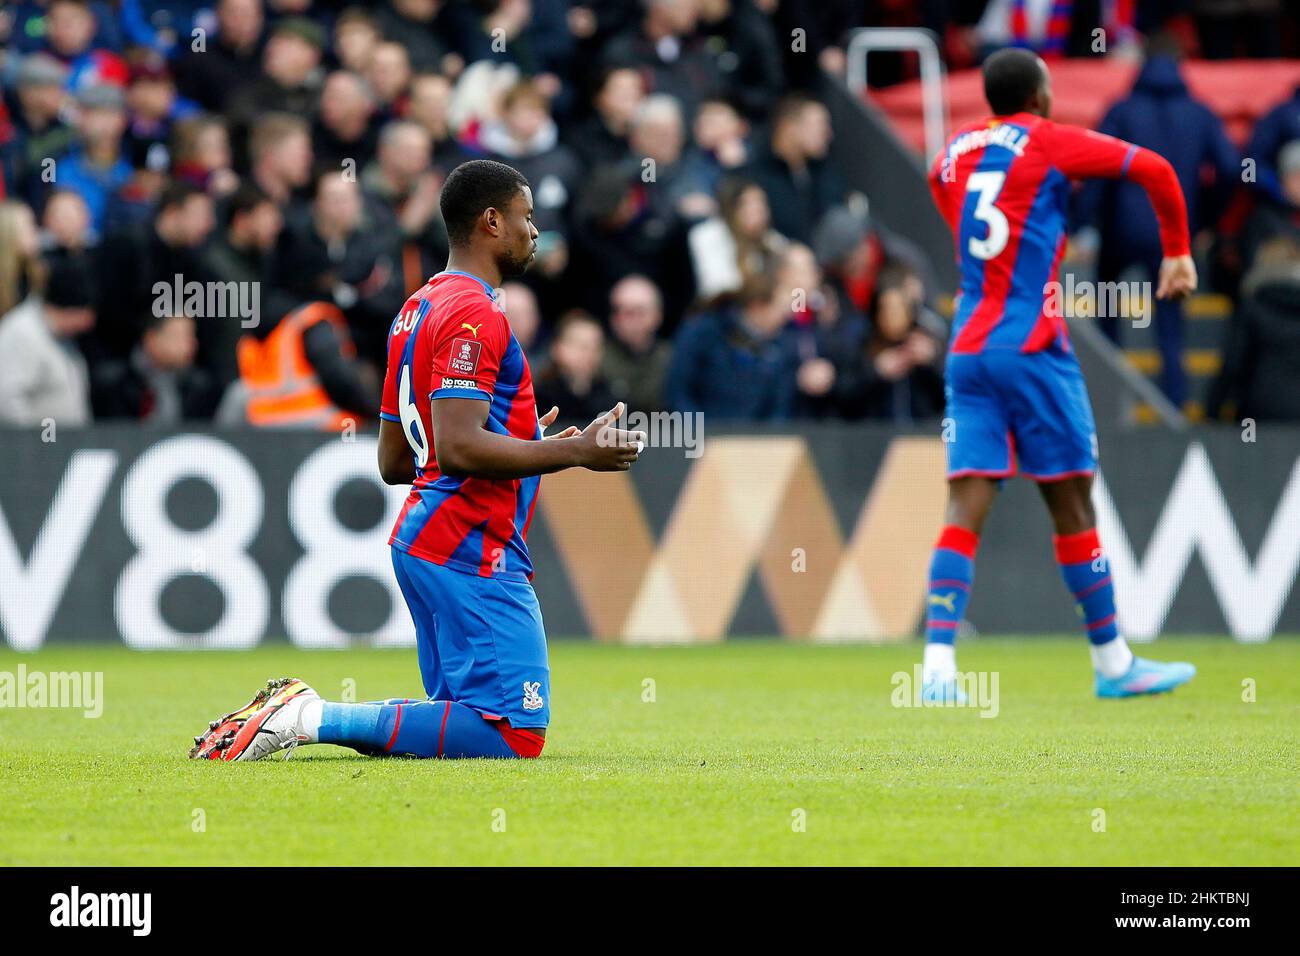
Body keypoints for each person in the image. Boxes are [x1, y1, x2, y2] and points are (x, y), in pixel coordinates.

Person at [191, 159, 644, 762]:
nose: (534, 232)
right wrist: (572, 452)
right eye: (526, 218)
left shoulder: (417, 307)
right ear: (490, 222)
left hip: (428, 540)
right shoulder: (473, 312)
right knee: (512, 731)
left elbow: (398, 459)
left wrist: (520, 441)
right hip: (469, 546)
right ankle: (305, 715)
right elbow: (455, 448)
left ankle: (305, 719)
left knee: (459, 723)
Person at [922, 48, 1199, 702]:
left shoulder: (956, 150)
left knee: (965, 504)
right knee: (1071, 502)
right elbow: (1155, 169)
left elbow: (939, 184)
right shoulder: (1047, 141)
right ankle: (1112, 664)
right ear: (1042, 94)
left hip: (968, 347)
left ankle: (936, 670)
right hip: (1032, 345)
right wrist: (1179, 254)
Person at [0, 253, 96, 427]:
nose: (88, 323)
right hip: (36, 450)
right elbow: (8, 400)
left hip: (64, 447)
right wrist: (37, 445)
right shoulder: (21, 333)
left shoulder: (63, 336)